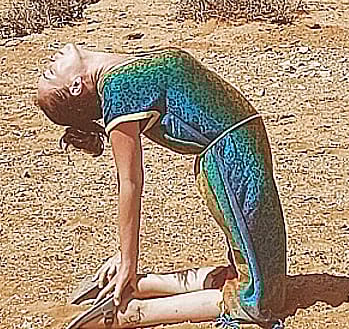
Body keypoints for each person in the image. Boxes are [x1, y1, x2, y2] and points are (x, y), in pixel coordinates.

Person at [36, 44, 287, 328]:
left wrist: (126, 257)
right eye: (51, 72)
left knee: (262, 268)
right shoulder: (118, 91)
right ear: (76, 86)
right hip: (230, 156)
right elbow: (130, 182)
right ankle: (128, 315)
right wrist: (127, 258)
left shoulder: (120, 67)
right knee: (261, 296)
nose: (52, 60)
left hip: (241, 144)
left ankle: (148, 285)